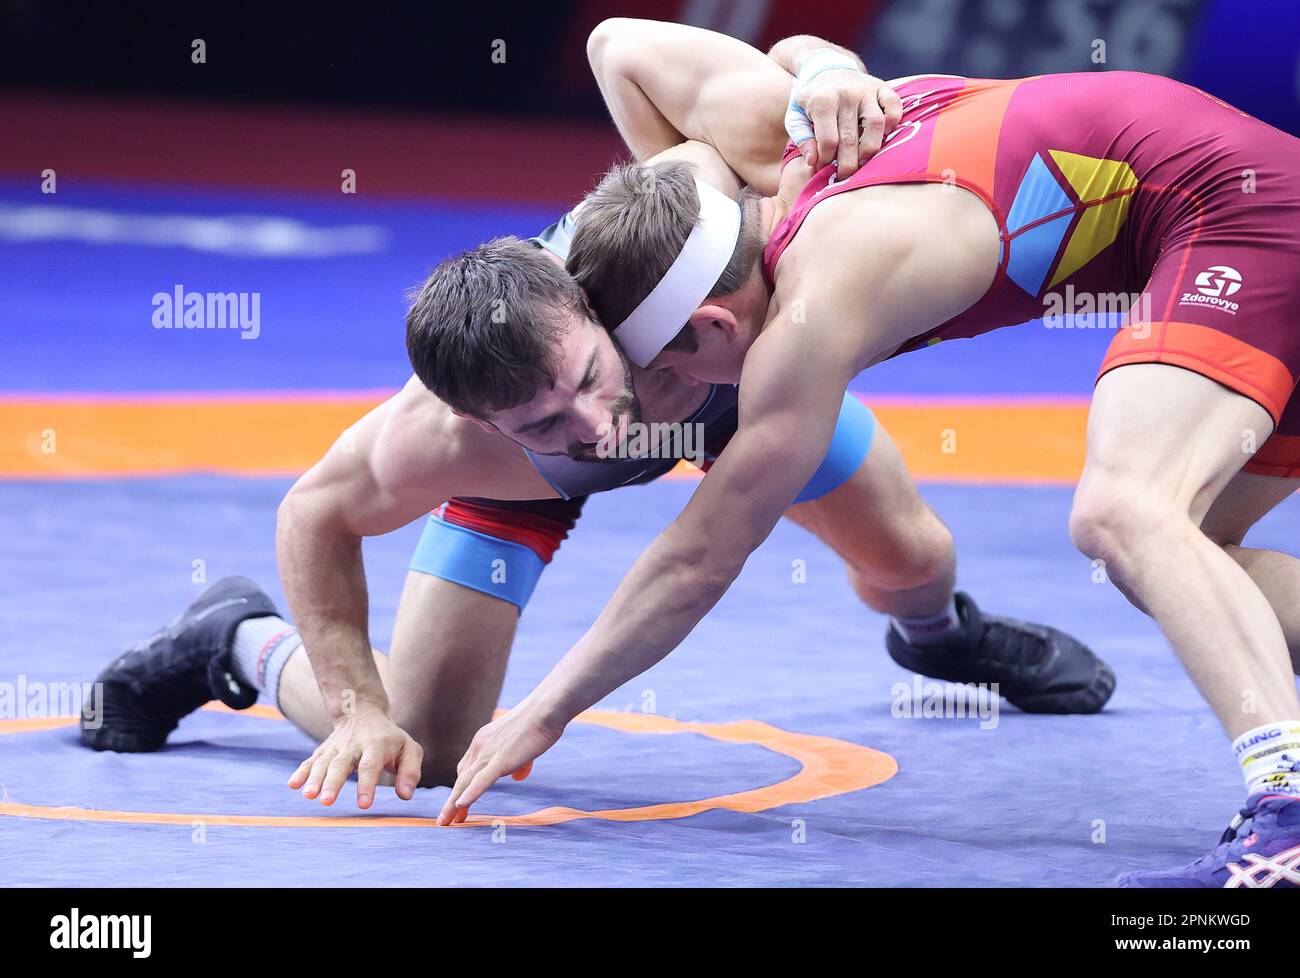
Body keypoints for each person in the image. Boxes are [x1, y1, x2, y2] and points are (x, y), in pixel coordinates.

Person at [80, 33, 1110, 814]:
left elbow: (620, 40)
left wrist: (826, 74)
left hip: (734, 404)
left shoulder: (678, 211)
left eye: (587, 379)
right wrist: (353, 707)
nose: (597, 426)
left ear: (588, 305)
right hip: (518, 495)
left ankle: (937, 639)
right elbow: (316, 514)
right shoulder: (451, 441)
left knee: (914, 559)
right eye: (543, 418)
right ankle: (237, 643)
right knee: (425, 750)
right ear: (475, 416)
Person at [439, 19, 1300, 888]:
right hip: (1241, 211)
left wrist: (546, 712)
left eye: (662, 376)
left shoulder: (814, 311)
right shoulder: (774, 140)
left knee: (1125, 512)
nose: (658, 403)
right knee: (1182, 562)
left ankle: (1285, 817)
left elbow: (696, 558)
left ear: (710, 326)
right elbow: (615, 43)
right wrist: (819, 61)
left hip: (1241, 213)